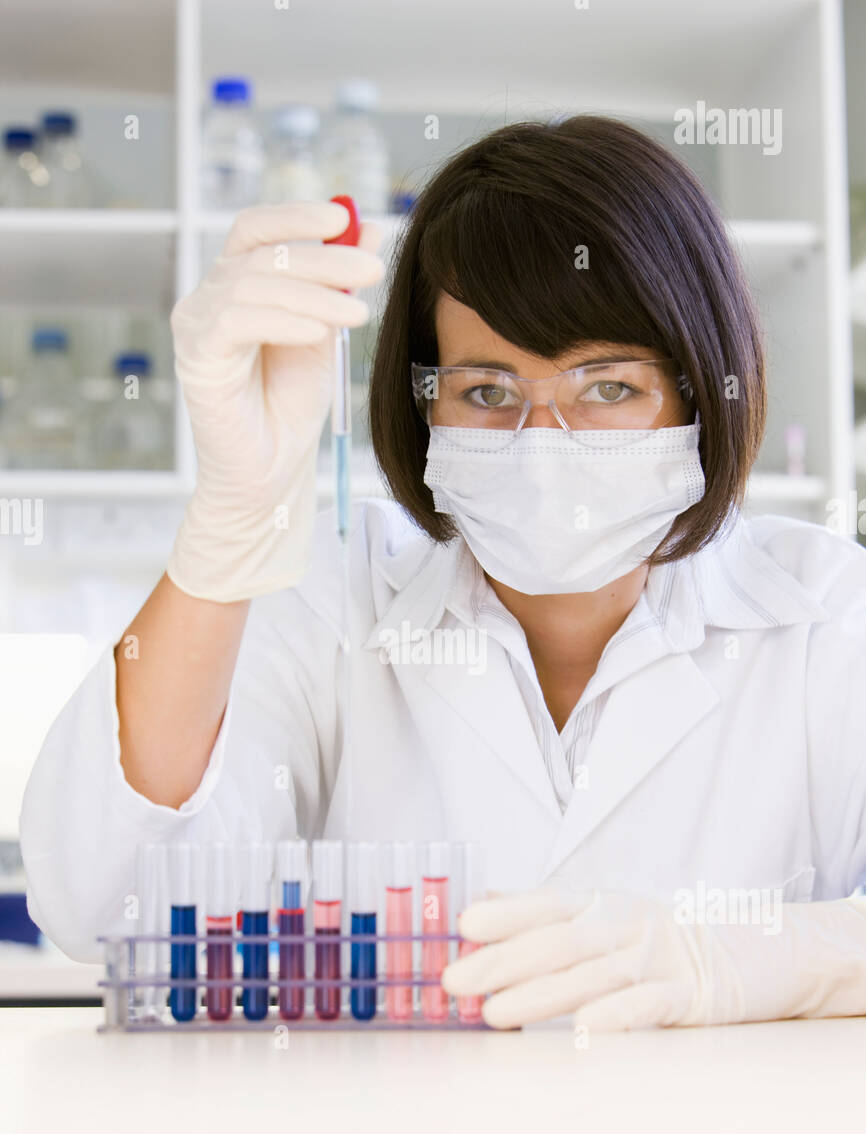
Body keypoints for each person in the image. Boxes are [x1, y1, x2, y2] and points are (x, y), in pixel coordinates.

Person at [19, 116, 866, 1030]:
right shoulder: (332, 601)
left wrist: (749, 959)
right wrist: (232, 523)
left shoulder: (827, 615)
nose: (545, 446)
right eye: (488, 392)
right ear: (425, 405)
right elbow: (106, 908)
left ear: (701, 389)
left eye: (610, 387)